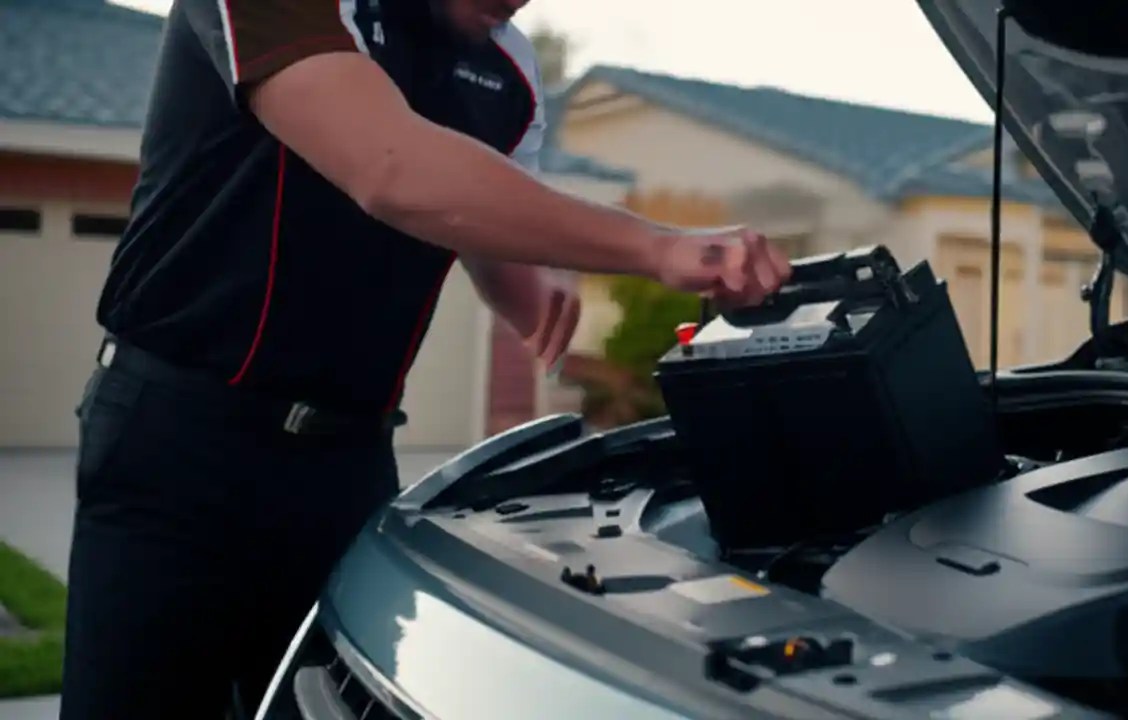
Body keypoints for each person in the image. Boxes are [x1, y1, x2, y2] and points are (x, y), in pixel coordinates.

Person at [59, 0, 791, 717]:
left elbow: (485, 226)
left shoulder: (510, 70)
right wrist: (657, 247)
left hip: (347, 462)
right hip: (179, 443)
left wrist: (538, 275)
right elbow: (393, 169)